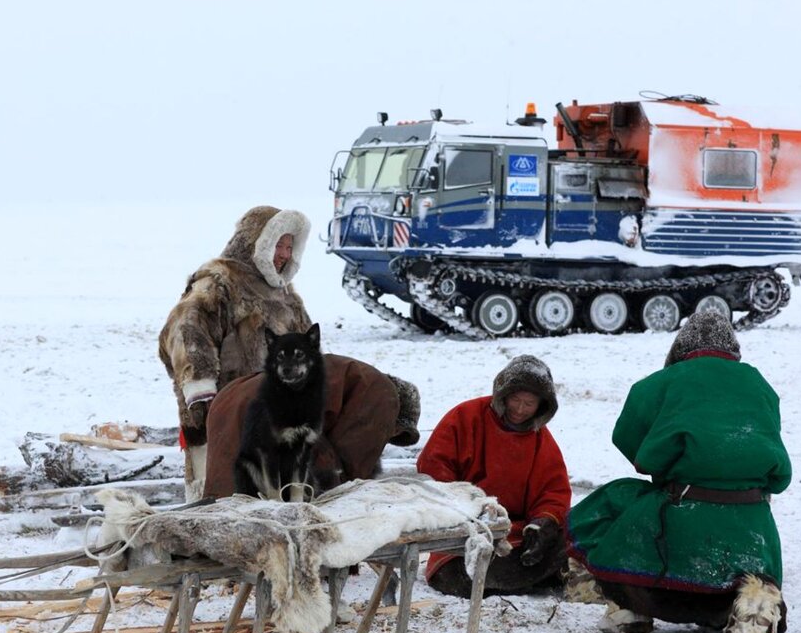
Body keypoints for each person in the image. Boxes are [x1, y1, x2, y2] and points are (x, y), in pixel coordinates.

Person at [158, 205, 420, 501]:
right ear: (255, 243)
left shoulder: (286, 296)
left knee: (277, 503)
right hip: (224, 416)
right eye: (278, 245)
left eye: (289, 246)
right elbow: (186, 335)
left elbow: (312, 355)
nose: (284, 254)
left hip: (280, 419)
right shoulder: (218, 284)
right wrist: (205, 400)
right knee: (222, 500)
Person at [566, 311, 791, 633]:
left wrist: (667, 464)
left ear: (680, 348)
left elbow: (630, 439)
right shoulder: (759, 384)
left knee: (612, 502)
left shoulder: (666, 380)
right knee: (754, 555)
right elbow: (778, 477)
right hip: (751, 521)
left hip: (674, 543)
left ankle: (628, 609)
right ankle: (755, 604)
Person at [419, 355, 571, 597]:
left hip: (516, 534)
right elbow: (434, 472)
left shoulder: (540, 439)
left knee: (574, 535)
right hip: (465, 533)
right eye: (515, 400)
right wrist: (468, 509)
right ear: (502, 394)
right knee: (465, 571)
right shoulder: (465, 418)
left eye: (529, 403)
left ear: (542, 406)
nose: (520, 410)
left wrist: (542, 523)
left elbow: (553, 491)